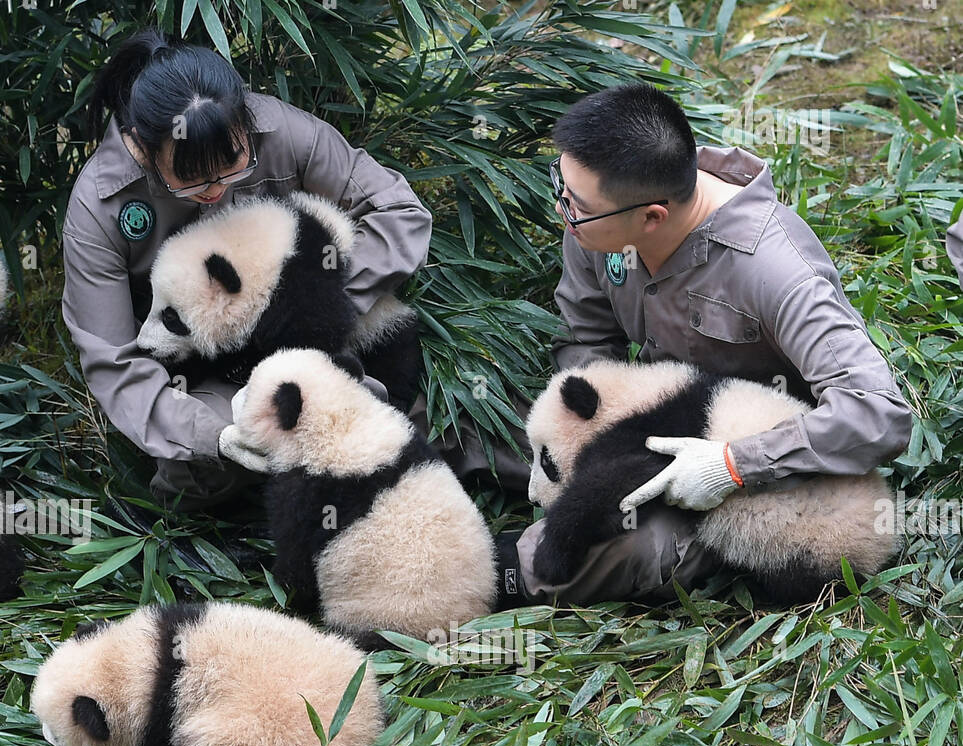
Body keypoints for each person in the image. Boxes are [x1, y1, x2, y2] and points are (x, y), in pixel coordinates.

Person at [496, 83, 914, 608]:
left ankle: (484, 573)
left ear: (652, 217)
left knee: (620, 548)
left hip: (758, 471)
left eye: (575, 205)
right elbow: (586, 339)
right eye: (562, 185)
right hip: (655, 416)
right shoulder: (598, 220)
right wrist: (590, 430)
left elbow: (879, 415)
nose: (564, 212)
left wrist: (733, 464)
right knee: (479, 420)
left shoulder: (776, 271)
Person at [61, 29, 432, 512]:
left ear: (244, 120)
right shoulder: (100, 206)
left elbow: (400, 212)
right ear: (146, 151)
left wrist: (314, 303)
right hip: (201, 367)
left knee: (379, 415)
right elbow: (115, 363)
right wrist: (213, 436)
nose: (215, 189)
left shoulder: (279, 129)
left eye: (231, 164)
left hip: (306, 336)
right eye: (191, 176)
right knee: (201, 470)